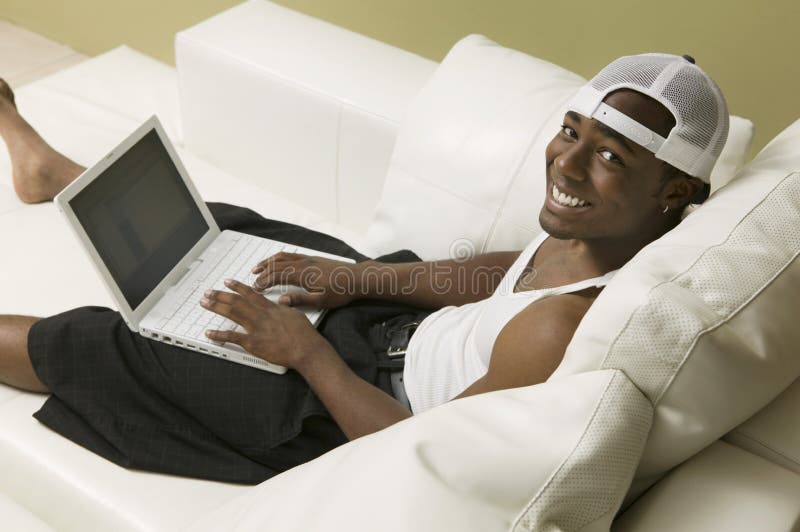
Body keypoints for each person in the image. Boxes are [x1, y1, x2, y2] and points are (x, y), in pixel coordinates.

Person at [0, 53, 728, 484]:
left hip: (347, 412)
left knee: (107, 344)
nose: (565, 164)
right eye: (572, 132)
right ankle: (52, 170)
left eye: (609, 157)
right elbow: (499, 277)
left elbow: (423, 456)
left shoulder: (564, 325)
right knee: (225, 232)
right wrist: (355, 278)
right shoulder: (594, 236)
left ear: (673, 193)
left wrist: (307, 353)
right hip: (390, 332)